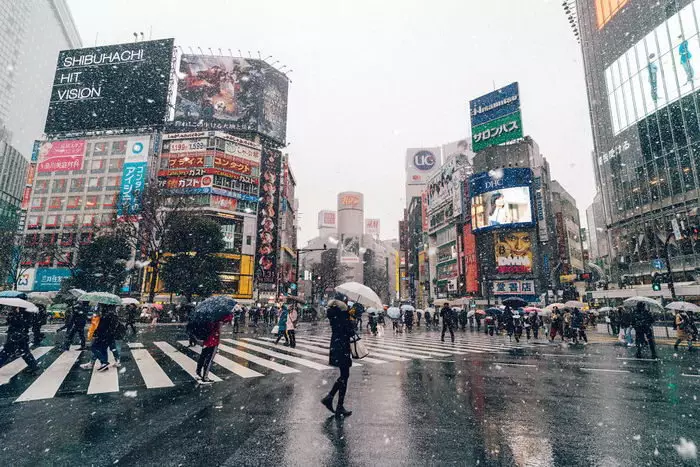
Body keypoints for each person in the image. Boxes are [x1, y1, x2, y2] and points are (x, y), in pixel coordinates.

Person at [321, 293, 354, 417]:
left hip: (336, 345)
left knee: (344, 375)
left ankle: (331, 399)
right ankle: (336, 403)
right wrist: (350, 318)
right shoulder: (342, 313)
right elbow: (349, 330)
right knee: (345, 375)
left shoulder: (333, 311)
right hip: (342, 346)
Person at [0, 307, 39, 374]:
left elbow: (15, 322)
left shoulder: (22, 313)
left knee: (6, 351)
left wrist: (13, 315)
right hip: (22, 335)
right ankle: (34, 366)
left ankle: (34, 366)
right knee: (24, 351)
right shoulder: (28, 311)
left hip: (16, 335)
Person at [196, 313, 233, 383]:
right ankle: (205, 377)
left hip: (206, 340)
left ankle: (198, 372)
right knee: (209, 359)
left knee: (202, 357)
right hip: (213, 341)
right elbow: (226, 320)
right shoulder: (217, 317)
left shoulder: (206, 316)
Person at [81, 305, 119, 372]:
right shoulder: (113, 315)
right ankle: (103, 364)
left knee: (94, 347)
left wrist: (96, 332)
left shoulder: (106, 315)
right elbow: (112, 327)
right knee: (103, 349)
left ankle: (103, 362)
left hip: (103, 335)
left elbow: (101, 326)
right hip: (108, 336)